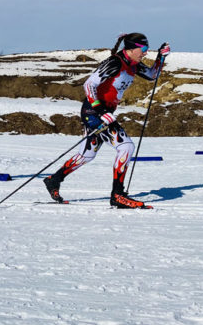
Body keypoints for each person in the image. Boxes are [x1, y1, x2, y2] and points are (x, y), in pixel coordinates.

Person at [44, 33, 170, 209]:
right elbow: (89, 85)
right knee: (126, 146)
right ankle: (117, 195)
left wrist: (160, 57)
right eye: (143, 49)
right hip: (94, 111)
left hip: (103, 112)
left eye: (147, 50)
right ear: (130, 49)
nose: (145, 53)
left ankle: (53, 180)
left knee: (87, 155)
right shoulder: (115, 62)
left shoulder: (132, 64)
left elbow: (152, 75)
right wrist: (100, 110)